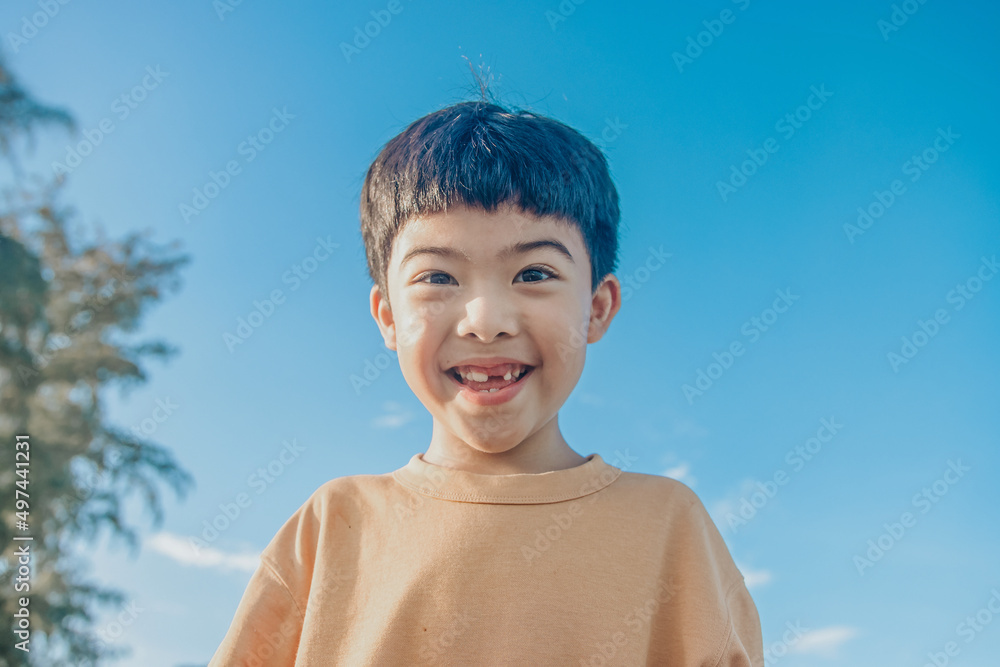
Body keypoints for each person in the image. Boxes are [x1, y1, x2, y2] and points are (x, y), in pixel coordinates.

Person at [208, 95, 764, 666]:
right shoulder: (329, 529)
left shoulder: (672, 528)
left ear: (597, 308)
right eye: (438, 276)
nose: (486, 322)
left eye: (534, 273)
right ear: (389, 317)